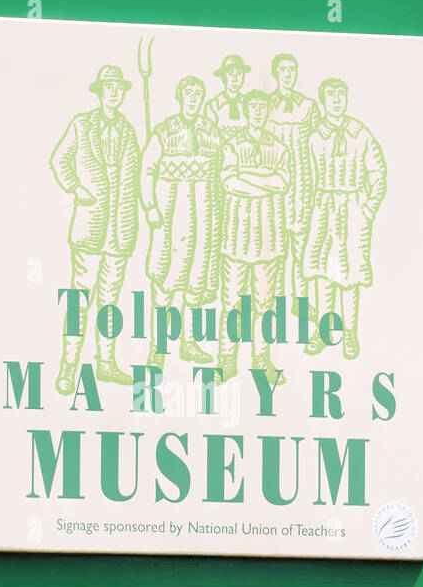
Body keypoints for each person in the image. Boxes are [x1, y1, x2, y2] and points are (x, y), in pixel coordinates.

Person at [49, 64, 140, 392]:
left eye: (119, 88)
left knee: (110, 302)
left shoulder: (129, 130)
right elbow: (59, 159)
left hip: (120, 230)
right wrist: (76, 188)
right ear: (100, 91)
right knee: (79, 301)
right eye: (109, 87)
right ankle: (68, 368)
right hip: (90, 227)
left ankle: (106, 363)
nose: (114, 93)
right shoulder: (82, 124)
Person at [140, 76, 223, 366]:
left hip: (204, 217)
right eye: (188, 93)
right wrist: (150, 206)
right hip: (171, 215)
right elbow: (147, 170)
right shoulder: (163, 131)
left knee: (195, 283)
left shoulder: (212, 132)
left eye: (198, 94)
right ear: (179, 96)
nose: (193, 98)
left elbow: (220, 174)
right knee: (165, 281)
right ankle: (158, 348)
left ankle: (189, 342)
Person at [304, 78, 387, 360]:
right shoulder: (314, 137)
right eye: (331, 95)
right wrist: (305, 213)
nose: (336, 100)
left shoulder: (360, 134)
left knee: (350, 274)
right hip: (323, 207)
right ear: (323, 100)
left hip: (352, 207)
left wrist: (367, 209)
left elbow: (377, 172)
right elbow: (306, 178)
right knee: (323, 272)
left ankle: (350, 332)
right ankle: (325, 330)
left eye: (341, 94)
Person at [218, 90, 291, 381]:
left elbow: (283, 182)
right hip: (237, 237)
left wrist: (248, 178)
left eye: (263, 106)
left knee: (264, 303)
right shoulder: (233, 145)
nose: (258, 111)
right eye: (253, 106)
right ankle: (226, 360)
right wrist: (265, 182)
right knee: (232, 303)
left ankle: (261, 360)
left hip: (268, 240)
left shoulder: (280, 148)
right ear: (247, 110)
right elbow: (229, 181)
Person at [267, 53, 319, 303]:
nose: (287, 74)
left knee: (300, 248)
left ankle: (301, 302)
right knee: (275, 249)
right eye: (283, 70)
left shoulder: (309, 106)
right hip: (274, 188)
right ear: (275, 73)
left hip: (301, 184)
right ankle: (273, 302)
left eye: (291, 70)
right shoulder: (264, 105)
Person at [205, 54, 251, 139]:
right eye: (230, 74)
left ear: (243, 77)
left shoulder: (250, 104)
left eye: (239, 74)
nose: (235, 79)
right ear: (223, 77)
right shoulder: (213, 106)